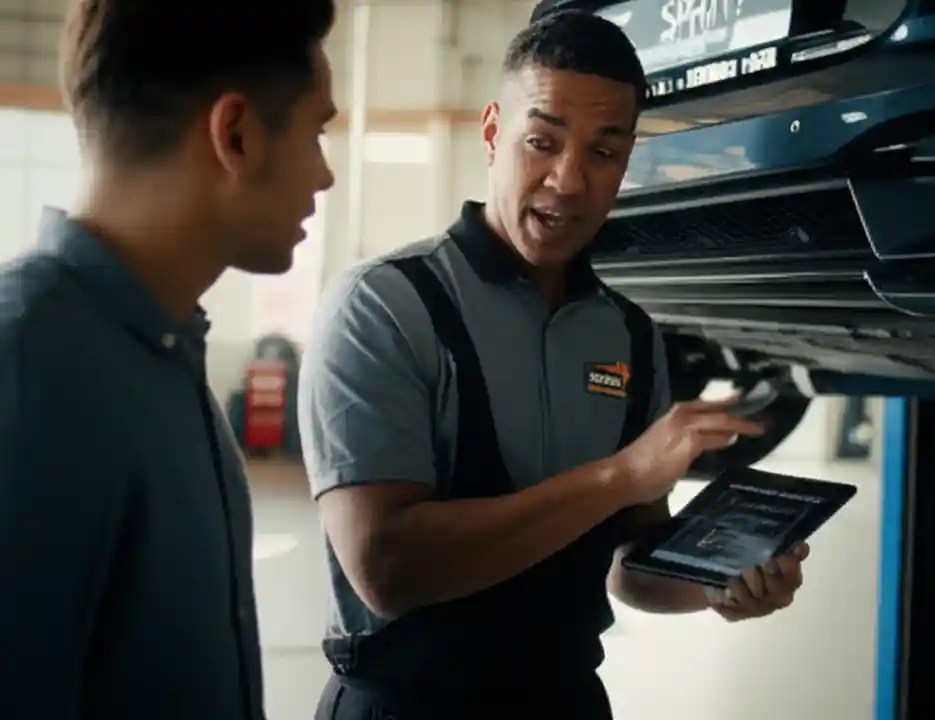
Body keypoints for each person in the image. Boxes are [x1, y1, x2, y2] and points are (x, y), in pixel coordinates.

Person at [299, 10, 809, 719]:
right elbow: (387, 568)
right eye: (541, 141)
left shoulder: (628, 335)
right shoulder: (384, 307)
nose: (568, 182)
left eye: (604, 152)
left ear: (627, 159)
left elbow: (629, 563)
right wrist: (619, 474)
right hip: (404, 704)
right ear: (491, 133)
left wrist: (716, 585)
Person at [0, 1, 336, 718]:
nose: (326, 175)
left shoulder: (163, 352)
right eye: (317, 130)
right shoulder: (29, 370)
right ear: (236, 134)